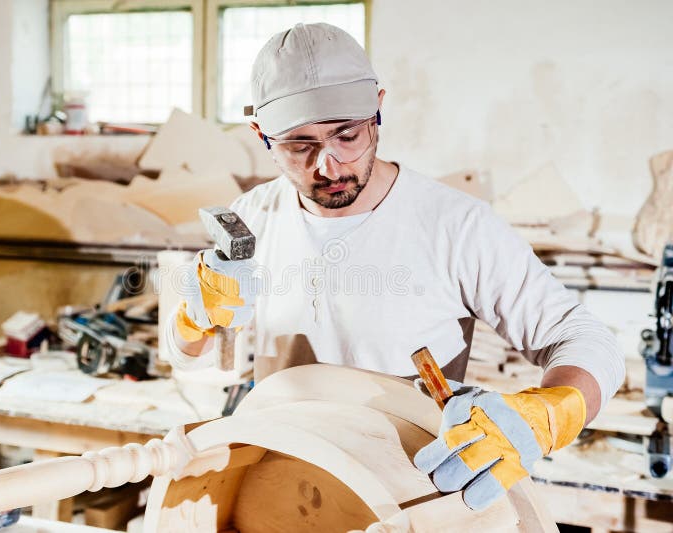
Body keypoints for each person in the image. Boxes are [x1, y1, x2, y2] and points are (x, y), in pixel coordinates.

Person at [161, 22, 625, 510]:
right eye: (300, 146)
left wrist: (548, 414)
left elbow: (587, 340)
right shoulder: (252, 217)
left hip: (406, 501)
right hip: (276, 490)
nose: (329, 165)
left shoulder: (455, 226)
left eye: (347, 135)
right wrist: (196, 320)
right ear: (262, 136)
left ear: (378, 109)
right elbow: (187, 357)